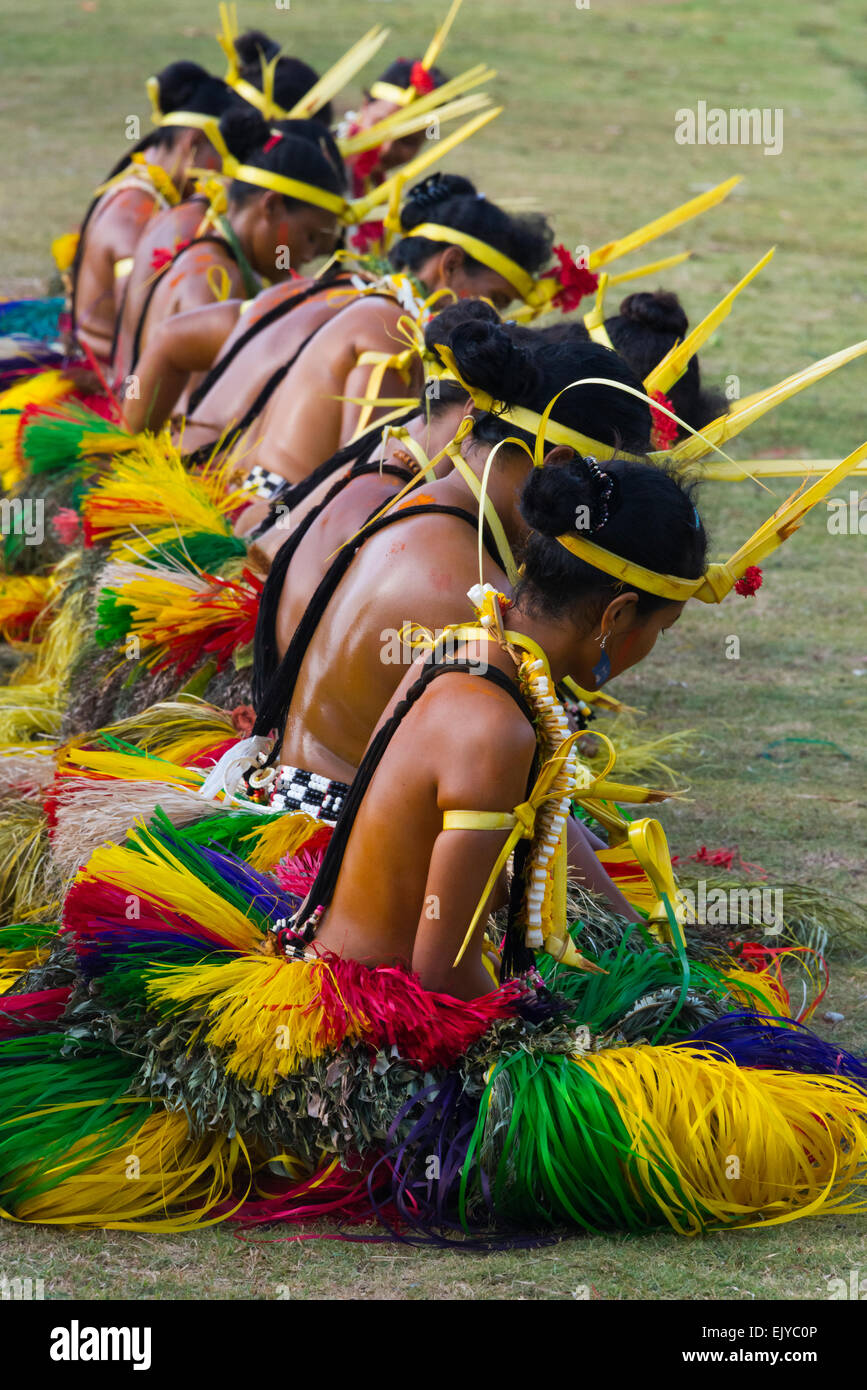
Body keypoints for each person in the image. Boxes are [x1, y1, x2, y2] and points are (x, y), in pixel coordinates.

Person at [234, 174, 555, 486]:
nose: (494, 316)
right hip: (271, 522)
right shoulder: (395, 334)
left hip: (251, 499)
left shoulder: (362, 295)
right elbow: (363, 479)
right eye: (496, 298)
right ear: (452, 264)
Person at [123, 108, 346, 398]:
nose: (307, 256)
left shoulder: (218, 257)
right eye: (310, 236)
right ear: (272, 206)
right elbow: (193, 420)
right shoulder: (215, 283)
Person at [70, 61, 238, 369]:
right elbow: (133, 337)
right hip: (106, 387)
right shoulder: (137, 214)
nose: (227, 177)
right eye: (226, 160)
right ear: (195, 143)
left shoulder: (147, 190)